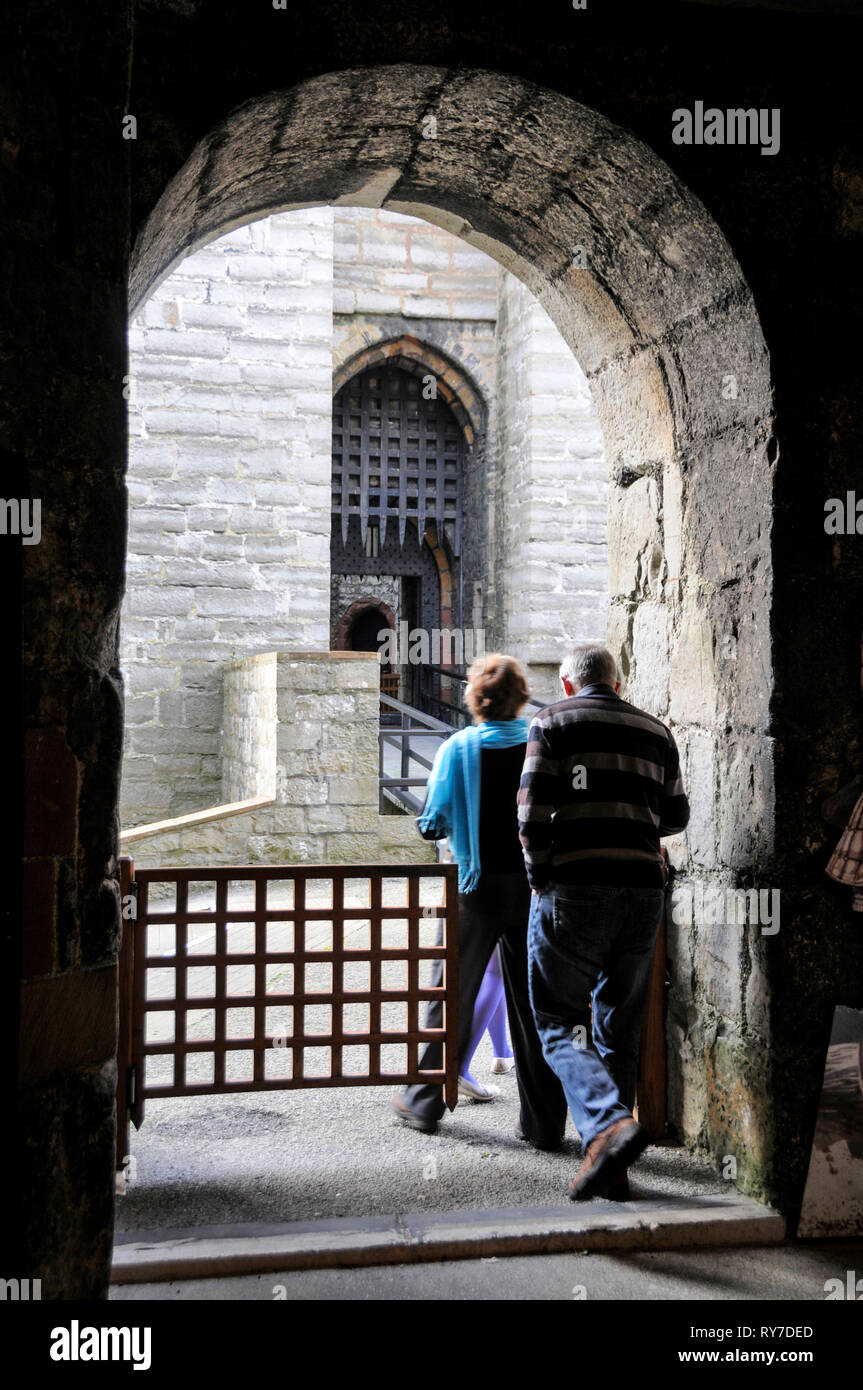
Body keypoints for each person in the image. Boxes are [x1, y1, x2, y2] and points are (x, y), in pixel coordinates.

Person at [518, 643, 690, 1199]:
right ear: (617, 682)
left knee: (558, 1019)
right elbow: (675, 816)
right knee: (619, 1027)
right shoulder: (656, 732)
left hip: (573, 890)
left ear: (568, 684)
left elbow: (530, 812)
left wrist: (542, 875)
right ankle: (610, 1165)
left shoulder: (551, 721)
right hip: (642, 893)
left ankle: (610, 1127)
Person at [392, 653, 567, 1141]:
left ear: (475, 698)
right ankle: (544, 1122)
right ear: (521, 697)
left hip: (475, 888)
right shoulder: (541, 740)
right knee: (534, 1005)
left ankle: (424, 1100)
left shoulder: (459, 748)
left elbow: (431, 822)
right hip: (534, 888)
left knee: (449, 993)